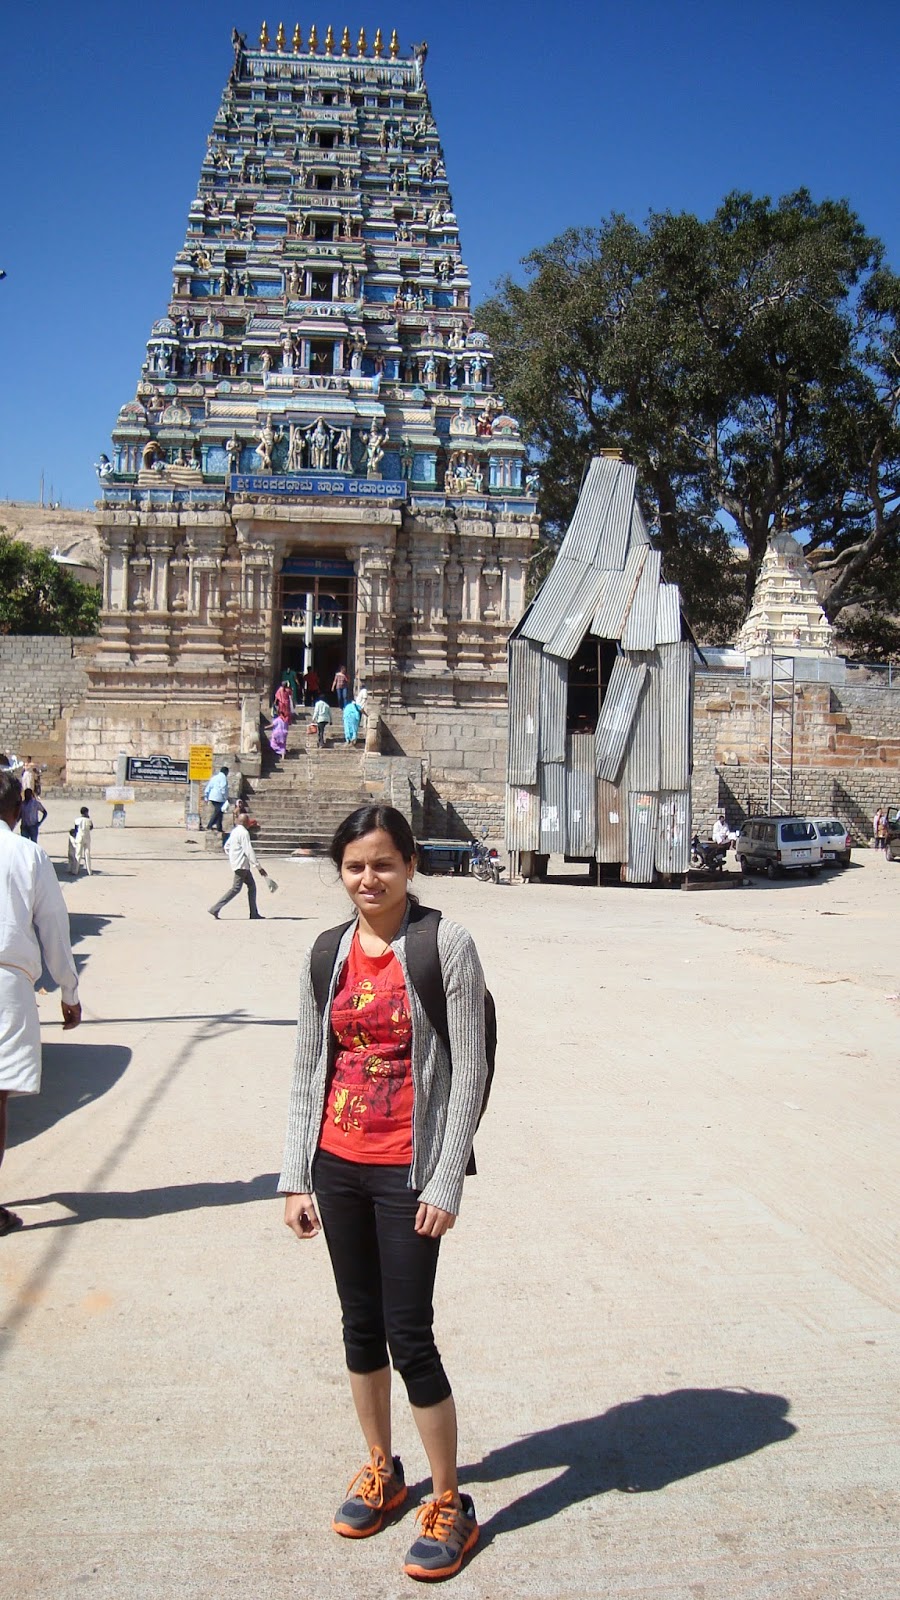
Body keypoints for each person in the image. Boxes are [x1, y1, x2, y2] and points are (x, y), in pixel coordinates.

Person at [279, 805, 487, 1581]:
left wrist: (445, 1177)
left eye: (384, 864)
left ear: (410, 865)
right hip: (337, 1162)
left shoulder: (445, 945)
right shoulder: (327, 951)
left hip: (408, 1167)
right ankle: (382, 1466)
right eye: (355, 866)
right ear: (341, 871)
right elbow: (309, 1064)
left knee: (411, 1335)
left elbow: (470, 1068)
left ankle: (449, 1500)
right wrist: (295, 1174)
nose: (369, 879)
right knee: (359, 1326)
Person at [0, 771, 81, 1235]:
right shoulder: (27, 854)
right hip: (7, 984)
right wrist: (69, 993)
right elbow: (53, 926)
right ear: (18, 811)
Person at [208, 811, 268, 919]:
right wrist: (259, 867)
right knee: (236, 889)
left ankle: (253, 913)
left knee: (252, 886)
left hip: (239, 863)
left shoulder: (235, 831)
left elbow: (227, 846)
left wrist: (233, 856)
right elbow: (249, 851)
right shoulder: (244, 833)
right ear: (246, 822)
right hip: (241, 865)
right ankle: (215, 908)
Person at [67, 807, 93, 877]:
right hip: (87, 837)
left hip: (79, 837)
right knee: (87, 854)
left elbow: (76, 829)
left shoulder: (77, 820)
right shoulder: (89, 820)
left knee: (78, 854)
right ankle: (89, 871)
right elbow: (91, 828)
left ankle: (75, 870)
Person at [204, 766, 230, 832]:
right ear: (226, 772)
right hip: (219, 797)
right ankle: (210, 825)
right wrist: (226, 797)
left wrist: (206, 796)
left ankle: (219, 828)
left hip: (212, 796)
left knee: (220, 812)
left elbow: (209, 787)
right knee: (218, 811)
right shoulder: (223, 778)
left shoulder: (214, 777)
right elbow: (223, 788)